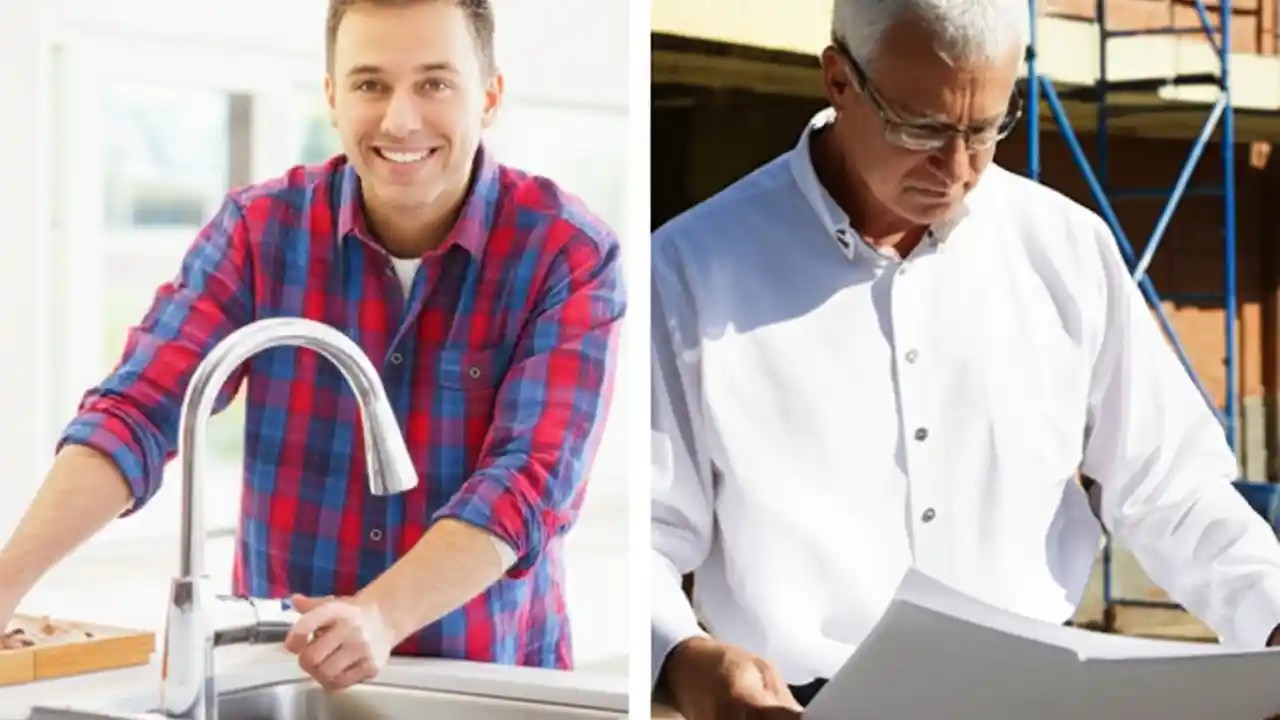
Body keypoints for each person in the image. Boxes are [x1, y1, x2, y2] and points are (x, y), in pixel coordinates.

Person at [649, 0, 1280, 716]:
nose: (957, 168)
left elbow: (1170, 490)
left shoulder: (1068, 252)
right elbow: (643, 531)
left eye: (986, 128)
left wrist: (1272, 617)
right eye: (921, 127)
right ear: (837, 80)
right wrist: (679, 655)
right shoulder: (689, 272)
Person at [0, 0, 625, 692]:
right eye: (370, 84)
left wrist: (382, 615)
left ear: (490, 97)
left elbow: (530, 479)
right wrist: (4, 585)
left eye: (434, 84)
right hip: (278, 673)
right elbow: (139, 408)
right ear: (331, 96)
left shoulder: (566, 253)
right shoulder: (258, 232)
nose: (400, 120)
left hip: (484, 683)